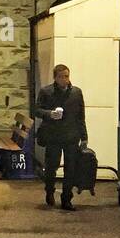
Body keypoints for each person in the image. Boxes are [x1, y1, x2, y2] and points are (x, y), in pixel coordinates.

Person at [33, 63, 88, 211]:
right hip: (53, 136)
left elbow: (80, 116)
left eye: (67, 76)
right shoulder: (47, 92)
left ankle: (66, 198)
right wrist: (49, 114)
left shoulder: (76, 93)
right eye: (61, 77)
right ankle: (49, 190)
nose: (65, 80)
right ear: (55, 78)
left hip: (71, 136)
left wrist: (84, 137)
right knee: (51, 167)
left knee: (70, 168)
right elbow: (36, 110)